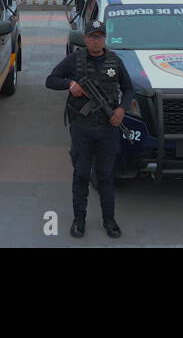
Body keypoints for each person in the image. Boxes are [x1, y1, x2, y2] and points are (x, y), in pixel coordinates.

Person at [45, 20, 134, 239]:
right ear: (85, 39)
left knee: (106, 175)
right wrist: (70, 85)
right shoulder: (75, 60)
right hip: (82, 128)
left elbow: (129, 88)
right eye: (92, 37)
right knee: (81, 174)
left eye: (100, 37)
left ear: (105, 38)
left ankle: (109, 220)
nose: (96, 41)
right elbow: (50, 80)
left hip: (108, 128)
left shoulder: (114, 61)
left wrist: (122, 109)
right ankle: (79, 221)